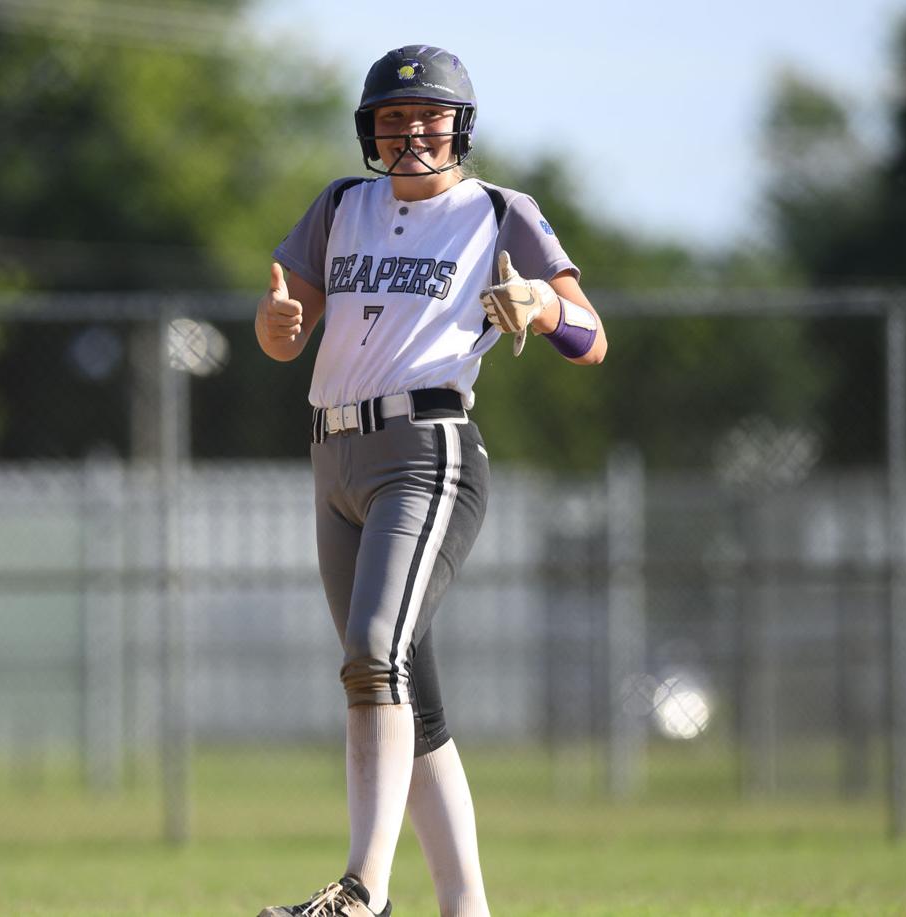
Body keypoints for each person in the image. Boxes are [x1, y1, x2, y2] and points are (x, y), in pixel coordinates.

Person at [253, 43, 607, 917]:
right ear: (369, 130)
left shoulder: (495, 210)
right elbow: (281, 335)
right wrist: (275, 321)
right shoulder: (342, 205)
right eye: (393, 119)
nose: (411, 132)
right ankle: (466, 909)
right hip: (333, 452)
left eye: (428, 117)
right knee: (410, 692)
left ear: (460, 126)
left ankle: (361, 890)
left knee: (375, 654)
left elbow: (592, 337)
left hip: (427, 450)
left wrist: (545, 305)